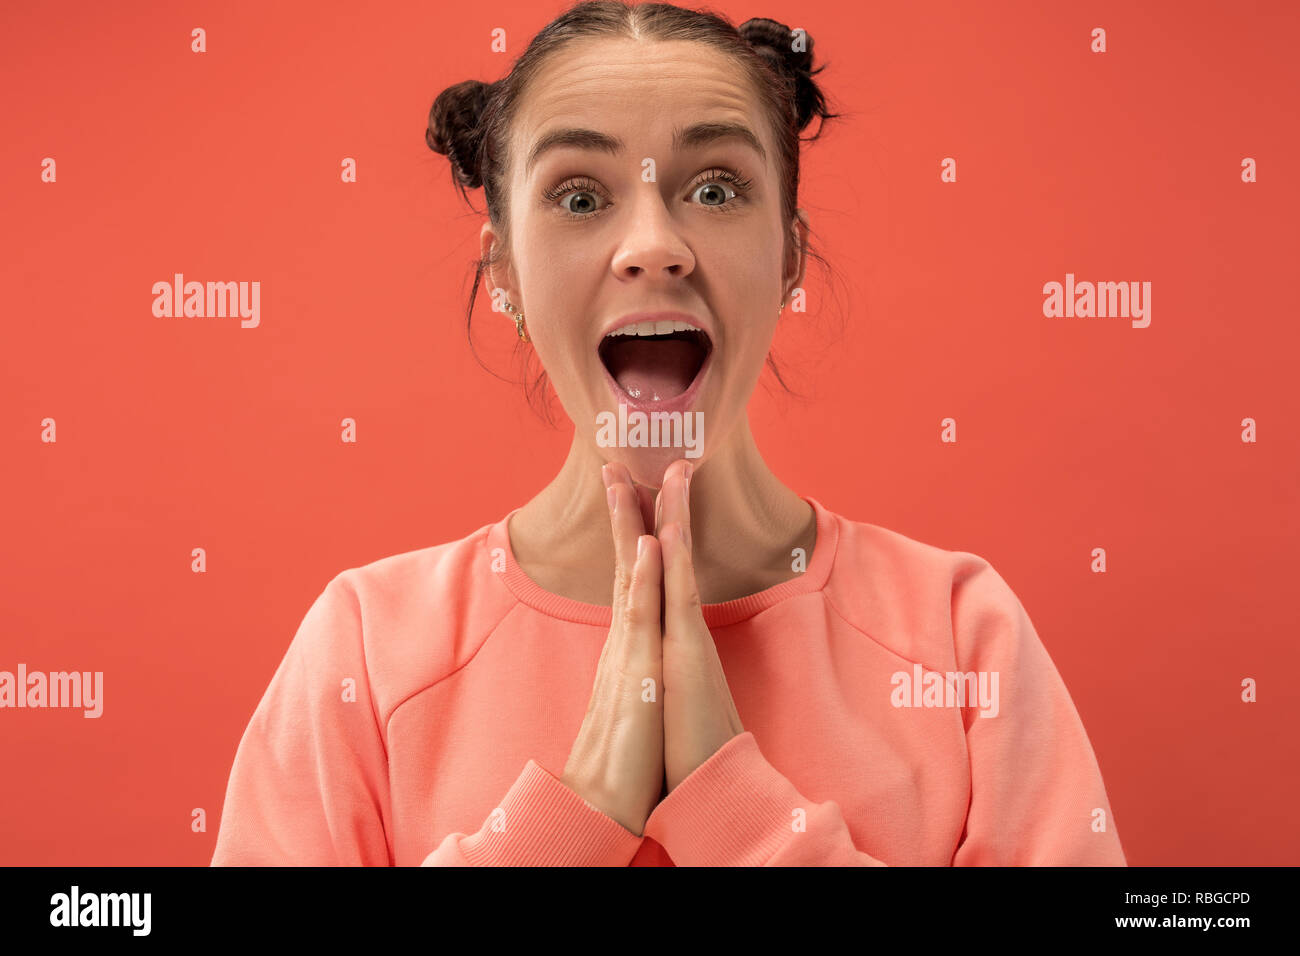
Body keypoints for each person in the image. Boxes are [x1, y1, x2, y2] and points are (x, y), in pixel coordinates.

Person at [210, 0, 1126, 866]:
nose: (653, 243)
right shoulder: (367, 650)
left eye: (717, 188)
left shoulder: (961, 635)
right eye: (578, 197)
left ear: (789, 255)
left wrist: (738, 807)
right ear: (508, 275)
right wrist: (572, 819)